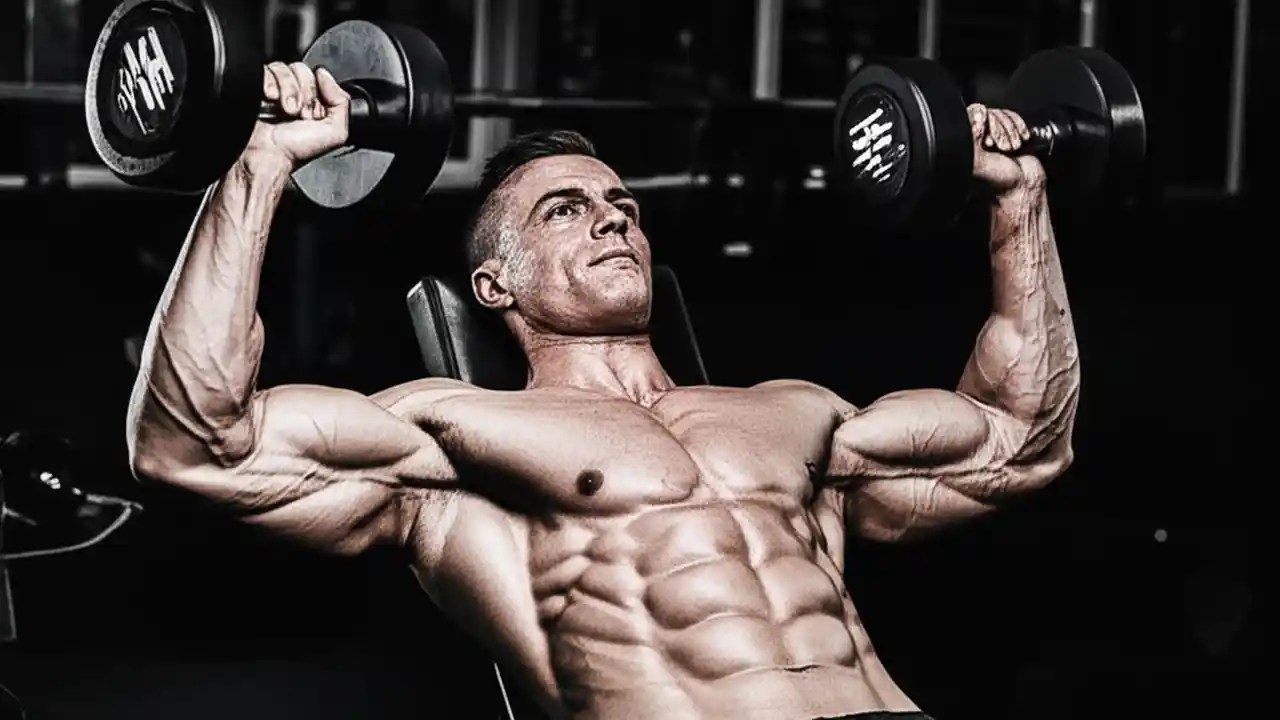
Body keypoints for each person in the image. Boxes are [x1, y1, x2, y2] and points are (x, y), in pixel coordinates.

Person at [126, 61, 1079, 720]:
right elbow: (197, 442)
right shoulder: (454, 433)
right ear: (496, 285)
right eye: (566, 210)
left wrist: (1018, 200)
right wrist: (259, 165)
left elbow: (1024, 437)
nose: (613, 220)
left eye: (623, 205)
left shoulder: (796, 410)